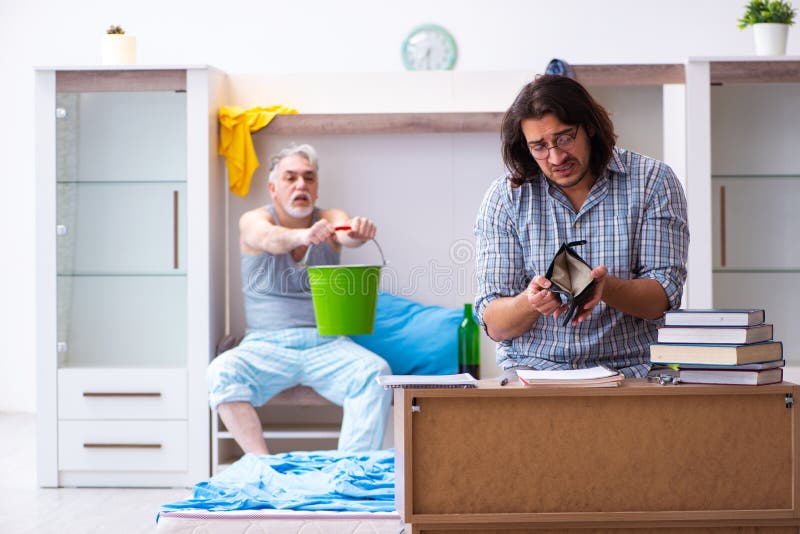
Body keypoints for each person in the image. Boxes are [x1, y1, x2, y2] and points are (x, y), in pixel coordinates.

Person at [474, 75, 689, 379]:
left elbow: (663, 298)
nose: (556, 157)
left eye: (564, 138)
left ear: (589, 127)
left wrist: (606, 288)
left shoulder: (653, 182)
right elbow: (494, 323)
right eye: (539, 146)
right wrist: (530, 302)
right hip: (533, 373)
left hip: (633, 371)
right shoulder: (505, 197)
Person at [207, 143, 392, 454]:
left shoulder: (329, 216)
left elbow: (344, 232)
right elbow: (267, 238)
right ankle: (262, 466)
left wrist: (357, 233)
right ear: (273, 188)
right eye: (290, 178)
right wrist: (302, 237)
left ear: (316, 188)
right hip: (265, 345)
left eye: (308, 178)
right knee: (220, 372)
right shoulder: (253, 220)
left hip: (327, 344)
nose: (300, 185)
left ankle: (348, 472)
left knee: (375, 372)